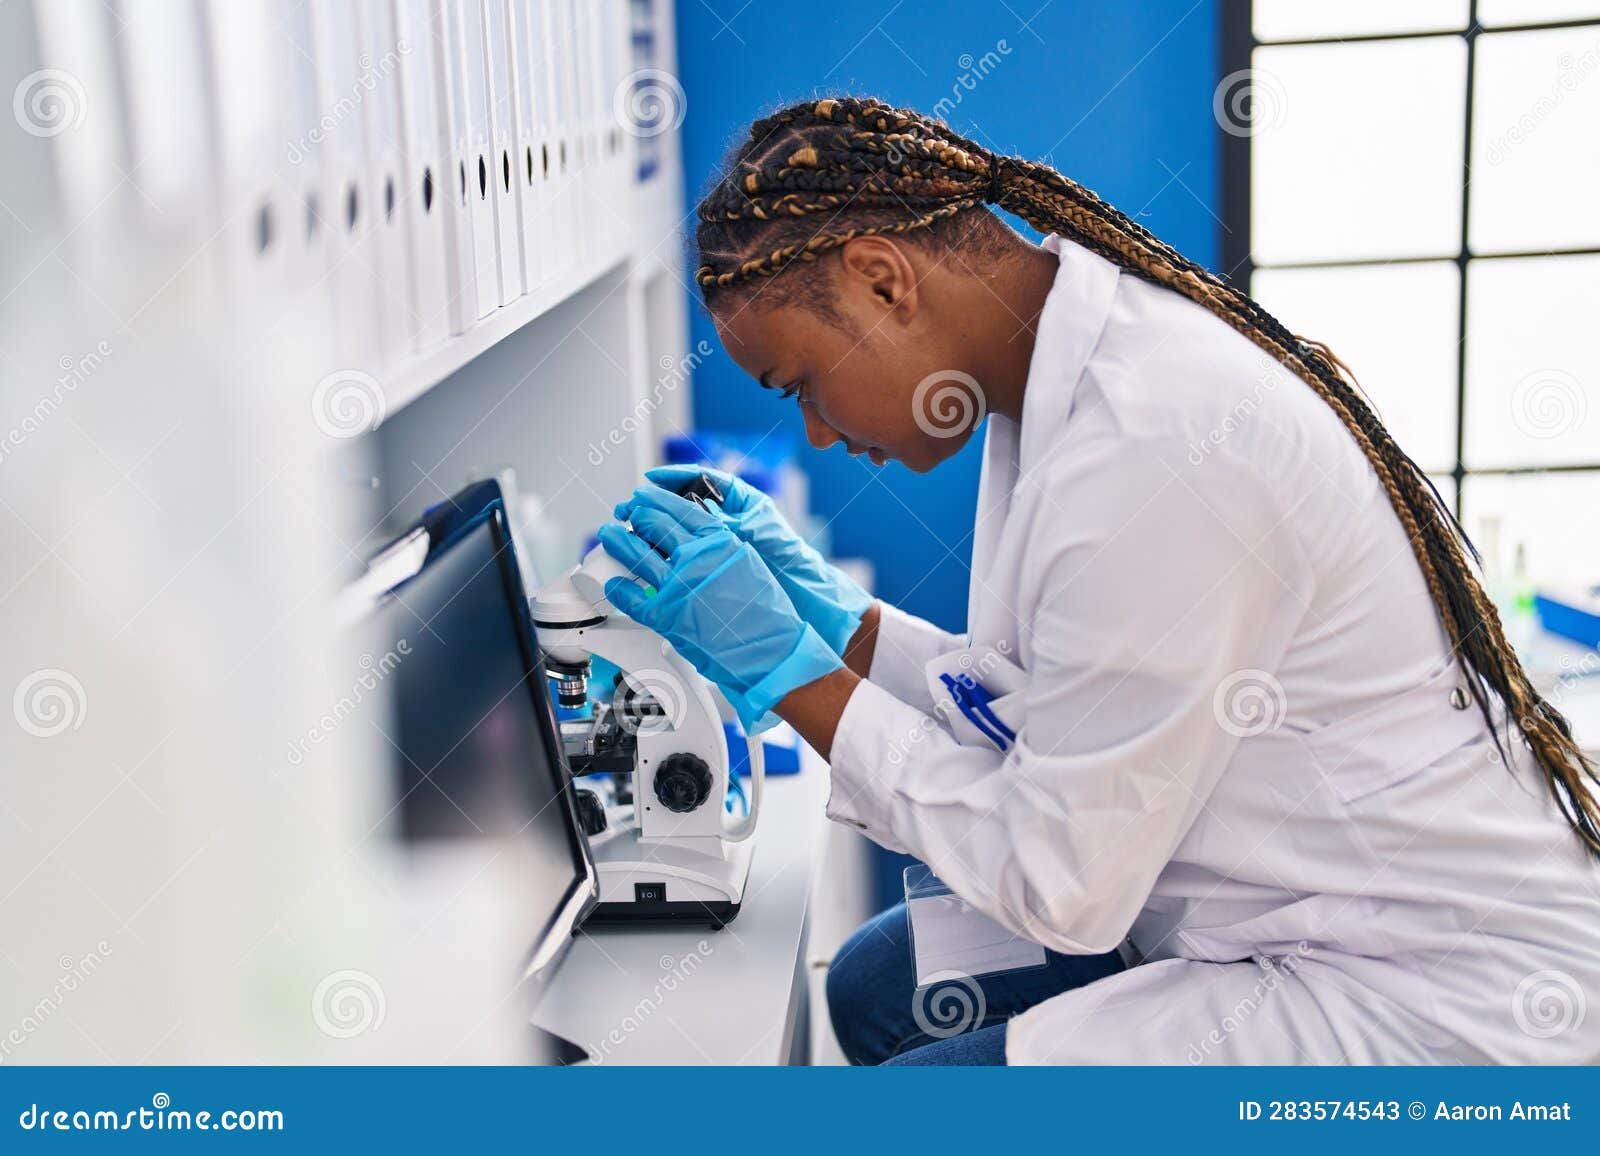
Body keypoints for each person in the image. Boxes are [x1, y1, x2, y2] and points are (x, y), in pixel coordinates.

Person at [596, 97, 1600, 1065]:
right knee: (875, 983)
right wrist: (835, 620)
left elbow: (1060, 883)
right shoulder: (1057, 372)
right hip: (1254, 892)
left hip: (1426, 989)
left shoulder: (1156, 444)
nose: (817, 430)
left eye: (801, 383)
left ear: (882, 279)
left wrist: (789, 675)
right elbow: (1059, 704)